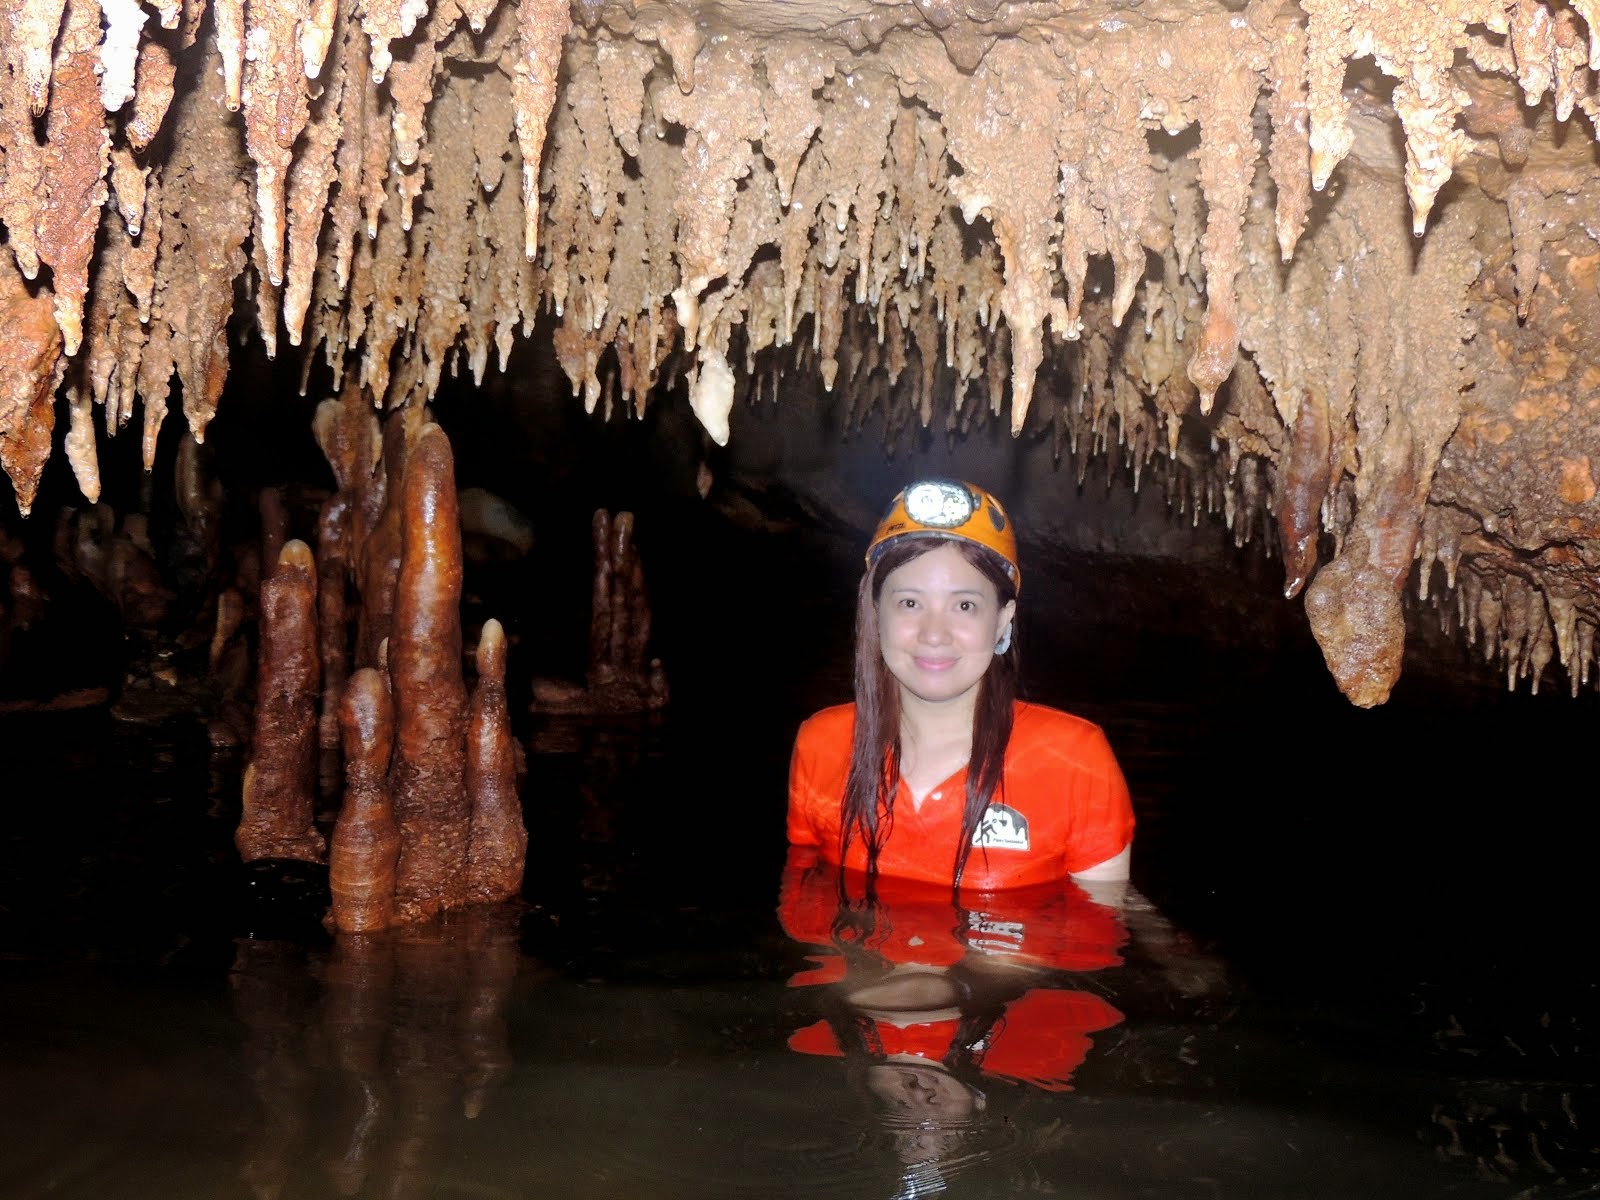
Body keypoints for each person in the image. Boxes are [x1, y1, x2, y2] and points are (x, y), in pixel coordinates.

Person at [787, 477, 1133, 896]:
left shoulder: (1076, 759)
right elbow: (805, 894)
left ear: (1003, 620)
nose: (935, 633)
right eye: (909, 603)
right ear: (876, 614)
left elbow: (1103, 927)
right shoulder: (821, 743)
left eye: (965, 605)